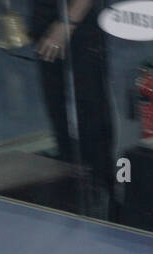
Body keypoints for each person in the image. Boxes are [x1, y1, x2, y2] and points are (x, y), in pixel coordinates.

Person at [29, 0, 115, 217]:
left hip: (78, 25)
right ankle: (69, 174)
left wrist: (67, 23)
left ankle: (100, 185)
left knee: (90, 107)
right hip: (45, 19)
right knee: (56, 107)